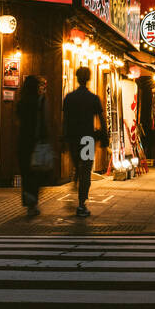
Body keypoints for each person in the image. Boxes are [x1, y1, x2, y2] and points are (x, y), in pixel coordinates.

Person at [62, 66, 106, 217]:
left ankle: (76, 178)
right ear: (88, 79)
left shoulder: (69, 97)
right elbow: (101, 118)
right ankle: (81, 204)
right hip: (88, 138)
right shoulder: (93, 98)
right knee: (86, 170)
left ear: (76, 77)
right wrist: (104, 137)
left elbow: (65, 120)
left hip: (73, 137)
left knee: (77, 165)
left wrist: (64, 138)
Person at [16, 75, 48, 218]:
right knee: (36, 173)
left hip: (23, 141)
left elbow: (18, 121)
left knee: (26, 173)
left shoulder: (21, 102)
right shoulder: (39, 101)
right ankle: (32, 203)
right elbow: (43, 122)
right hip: (36, 141)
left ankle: (29, 203)